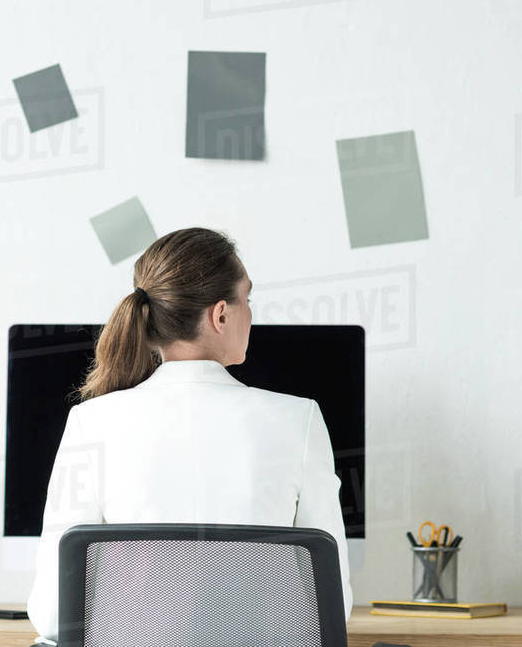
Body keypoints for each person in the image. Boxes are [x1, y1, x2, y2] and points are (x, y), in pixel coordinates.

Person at [26, 227, 352, 642]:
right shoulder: (299, 419)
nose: (250, 313)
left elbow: (55, 614)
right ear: (220, 314)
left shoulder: (91, 421)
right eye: (247, 300)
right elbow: (330, 605)